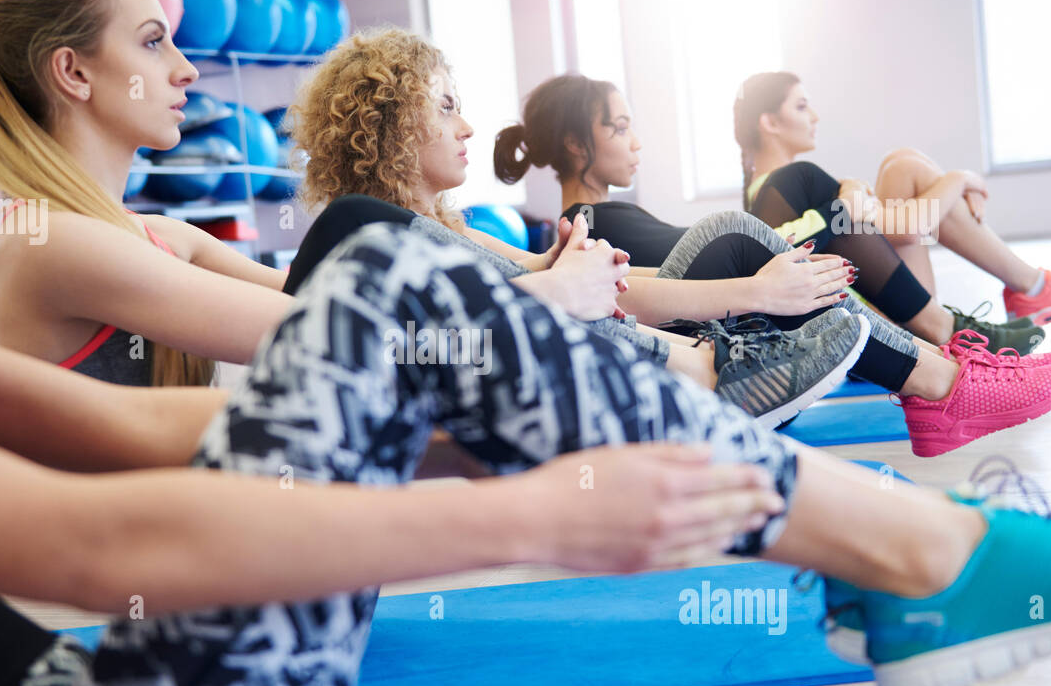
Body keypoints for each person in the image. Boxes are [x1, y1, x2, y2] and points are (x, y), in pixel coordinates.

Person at [0, 0, 1051, 686]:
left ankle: (870, 521)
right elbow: (102, 536)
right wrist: (528, 500)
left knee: (385, 274)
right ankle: (890, 519)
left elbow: (144, 428)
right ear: (74, 76)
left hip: (125, 682)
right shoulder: (55, 248)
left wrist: (497, 426)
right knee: (378, 265)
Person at [286, 27, 875, 431]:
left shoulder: (448, 228)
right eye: (444, 108)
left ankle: (714, 363)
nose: (466, 127)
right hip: (460, 383)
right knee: (726, 239)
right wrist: (750, 295)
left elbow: (553, 281)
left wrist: (569, 272)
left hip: (515, 360)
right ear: (388, 127)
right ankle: (714, 369)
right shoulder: (373, 231)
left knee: (719, 237)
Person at [493, 72, 1051, 457]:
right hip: (736, 344)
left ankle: (961, 352)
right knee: (770, 221)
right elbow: (635, 301)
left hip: (754, 321)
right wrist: (766, 281)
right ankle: (954, 354)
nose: (636, 142)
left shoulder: (602, 219)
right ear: (576, 145)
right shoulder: (586, 227)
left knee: (887, 175)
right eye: (618, 128)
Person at [736, 71, 1051, 331]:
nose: (814, 117)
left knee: (901, 164)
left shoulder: (778, 189)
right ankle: (1032, 286)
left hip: (884, 309)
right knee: (906, 168)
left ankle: (1030, 286)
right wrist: (961, 179)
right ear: (770, 123)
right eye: (801, 106)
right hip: (885, 323)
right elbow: (911, 230)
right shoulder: (787, 187)